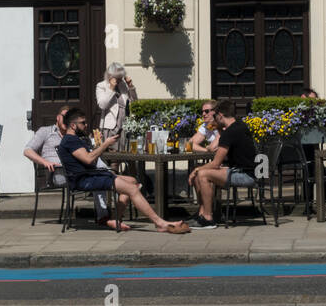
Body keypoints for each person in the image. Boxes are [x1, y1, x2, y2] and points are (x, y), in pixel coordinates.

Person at [57, 108, 188, 233]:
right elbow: (88, 159)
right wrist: (105, 145)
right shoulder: (70, 140)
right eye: (83, 123)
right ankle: (160, 223)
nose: (86, 125)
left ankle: (116, 219)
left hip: (91, 175)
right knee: (132, 189)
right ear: (73, 126)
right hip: (84, 180)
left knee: (132, 181)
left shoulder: (76, 140)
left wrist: (99, 148)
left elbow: (90, 160)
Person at [187, 100, 258, 230]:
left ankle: (208, 219)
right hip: (243, 170)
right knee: (200, 173)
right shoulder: (239, 125)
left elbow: (215, 163)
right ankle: (202, 214)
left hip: (246, 175)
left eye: (215, 116)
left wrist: (196, 169)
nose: (213, 119)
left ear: (220, 116)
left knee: (202, 174)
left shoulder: (230, 133)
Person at [95, 63, 137, 139]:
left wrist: (130, 86)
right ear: (110, 76)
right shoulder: (101, 86)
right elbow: (102, 105)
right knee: (111, 150)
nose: (120, 80)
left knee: (123, 150)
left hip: (124, 126)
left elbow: (134, 102)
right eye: (118, 77)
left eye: (121, 77)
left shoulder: (123, 85)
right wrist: (111, 88)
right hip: (111, 127)